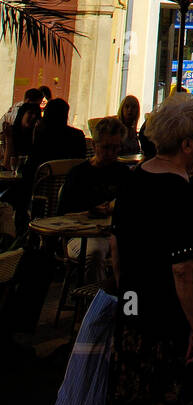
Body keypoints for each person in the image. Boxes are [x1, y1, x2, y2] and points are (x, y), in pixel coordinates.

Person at [107, 93, 193, 405]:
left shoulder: (133, 177)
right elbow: (183, 268)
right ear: (186, 144)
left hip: (134, 318)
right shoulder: (178, 192)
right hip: (169, 327)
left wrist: (129, 291)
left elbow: (116, 245)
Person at [59, 117, 131, 287]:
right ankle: (95, 306)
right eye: (106, 147)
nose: (111, 153)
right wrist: (90, 212)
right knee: (95, 253)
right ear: (94, 146)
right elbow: (63, 215)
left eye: (116, 148)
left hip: (113, 233)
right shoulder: (78, 174)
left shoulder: (123, 173)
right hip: (82, 235)